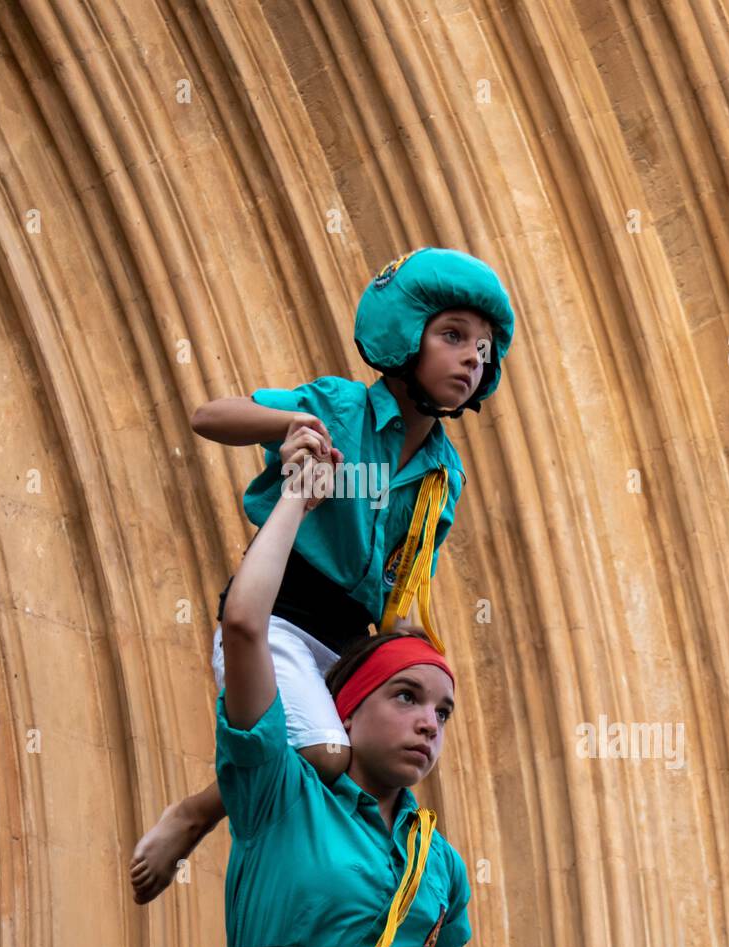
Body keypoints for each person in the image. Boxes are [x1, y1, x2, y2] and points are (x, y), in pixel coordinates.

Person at [130, 247, 515, 904]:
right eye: (453, 336)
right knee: (328, 755)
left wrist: (418, 664)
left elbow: (403, 594)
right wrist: (293, 424)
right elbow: (208, 416)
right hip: (278, 614)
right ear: (405, 335)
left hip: (347, 642)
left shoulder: (444, 477)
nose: (472, 357)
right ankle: (196, 811)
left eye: (482, 348)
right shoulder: (339, 406)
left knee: (363, 767)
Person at [216, 449, 470, 947]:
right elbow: (244, 626)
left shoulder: (440, 862)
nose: (429, 723)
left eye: (442, 714)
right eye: (406, 696)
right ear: (347, 711)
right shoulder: (278, 790)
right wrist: (296, 498)